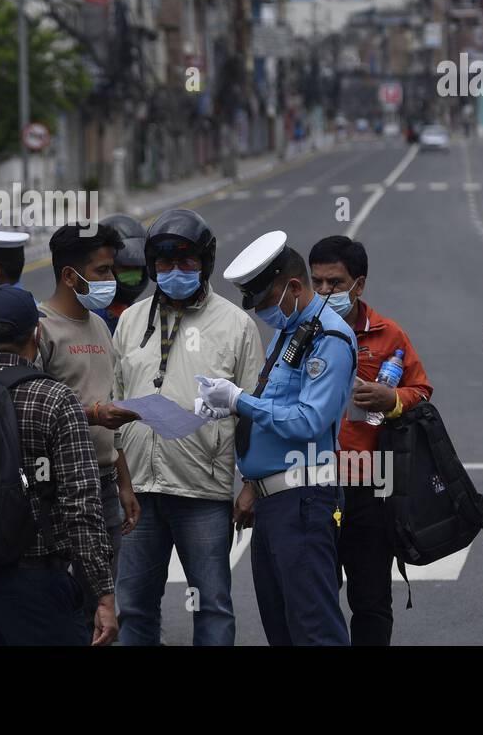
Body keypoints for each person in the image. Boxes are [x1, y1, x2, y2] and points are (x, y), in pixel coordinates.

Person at [108, 209, 264, 647]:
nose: (175, 272)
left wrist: (249, 484)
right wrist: (122, 482)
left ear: (205, 263)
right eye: (164, 263)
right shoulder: (131, 321)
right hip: (138, 491)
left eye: (186, 263)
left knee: (211, 606)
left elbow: (254, 411)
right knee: (134, 606)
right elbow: (116, 402)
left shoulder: (236, 325)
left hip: (203, 493)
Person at [196, 232, 357, 646]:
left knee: (314, 629)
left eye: (265, 302)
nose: (262, 312)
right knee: (282, 628)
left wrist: (240, 401)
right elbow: (277, 403)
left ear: (294, 288)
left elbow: (308, 421)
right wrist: (230, 406)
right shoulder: (293, 331)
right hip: (274, 503)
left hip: (303, 502)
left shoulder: (329, 339)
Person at [0, 286, 117, 645]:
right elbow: (82, 506)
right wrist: (102, 592)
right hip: (34, 579)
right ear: (37, 335)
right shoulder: (56, 400)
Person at [309, 235, 432, 646]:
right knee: (314, 597)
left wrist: (392, 399)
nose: (325, 292)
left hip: (370, 487)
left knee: (371, 599)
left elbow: (422, 391)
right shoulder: (301, 333)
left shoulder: (387, 334)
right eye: (318, 283)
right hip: (312, 484)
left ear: (359, 285)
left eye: (336, 283)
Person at [38, 225, 141, 628]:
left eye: (111, 270)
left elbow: (109, 410)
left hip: (104, 485)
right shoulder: (39, 328)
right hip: (59, 489)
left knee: (102, 603)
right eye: (101, 272)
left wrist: (125, 483)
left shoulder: (100, 326)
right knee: (64, 605)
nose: (111, 281)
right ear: (69, 276)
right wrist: (92, 413)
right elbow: (30, 413)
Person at [95, 213, 150, 334]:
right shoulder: (91, 321)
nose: (134, 274)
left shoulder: (143, 316)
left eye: (137, 267)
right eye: (125, 268)